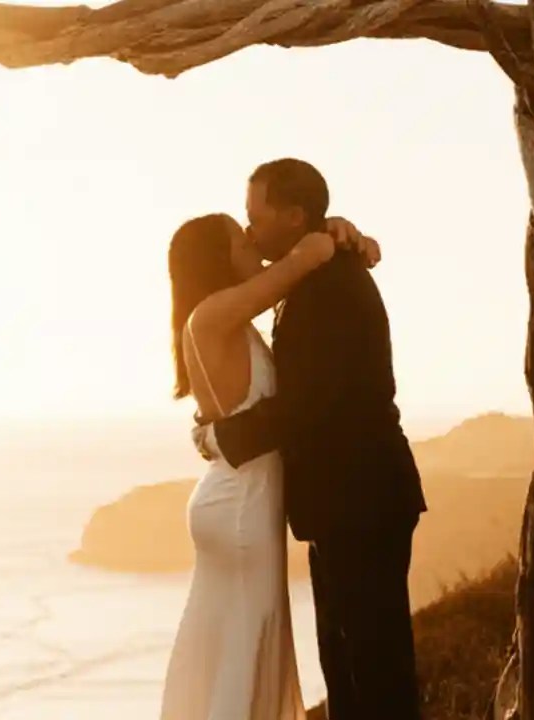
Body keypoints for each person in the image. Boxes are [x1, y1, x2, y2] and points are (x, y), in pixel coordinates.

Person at [194, 159, 427, 720]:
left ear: (295, 216)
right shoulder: (314, 273)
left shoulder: (328, 287)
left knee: (373, 666)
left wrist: (223, 438)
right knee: (347, 660)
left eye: (256, 217)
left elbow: (307, 402)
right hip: (344, 504)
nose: (249, 230)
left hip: (363, 499)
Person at [159, 209, 378, 720]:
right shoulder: (212, 314)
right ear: (218, 258)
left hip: (237, 498)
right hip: (242, 507)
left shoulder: (220, 317)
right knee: (246, 647)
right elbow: (300, 261)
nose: (252, 244)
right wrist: (332, 230)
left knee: (234, 645)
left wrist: (338, 226)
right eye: (241, 239)